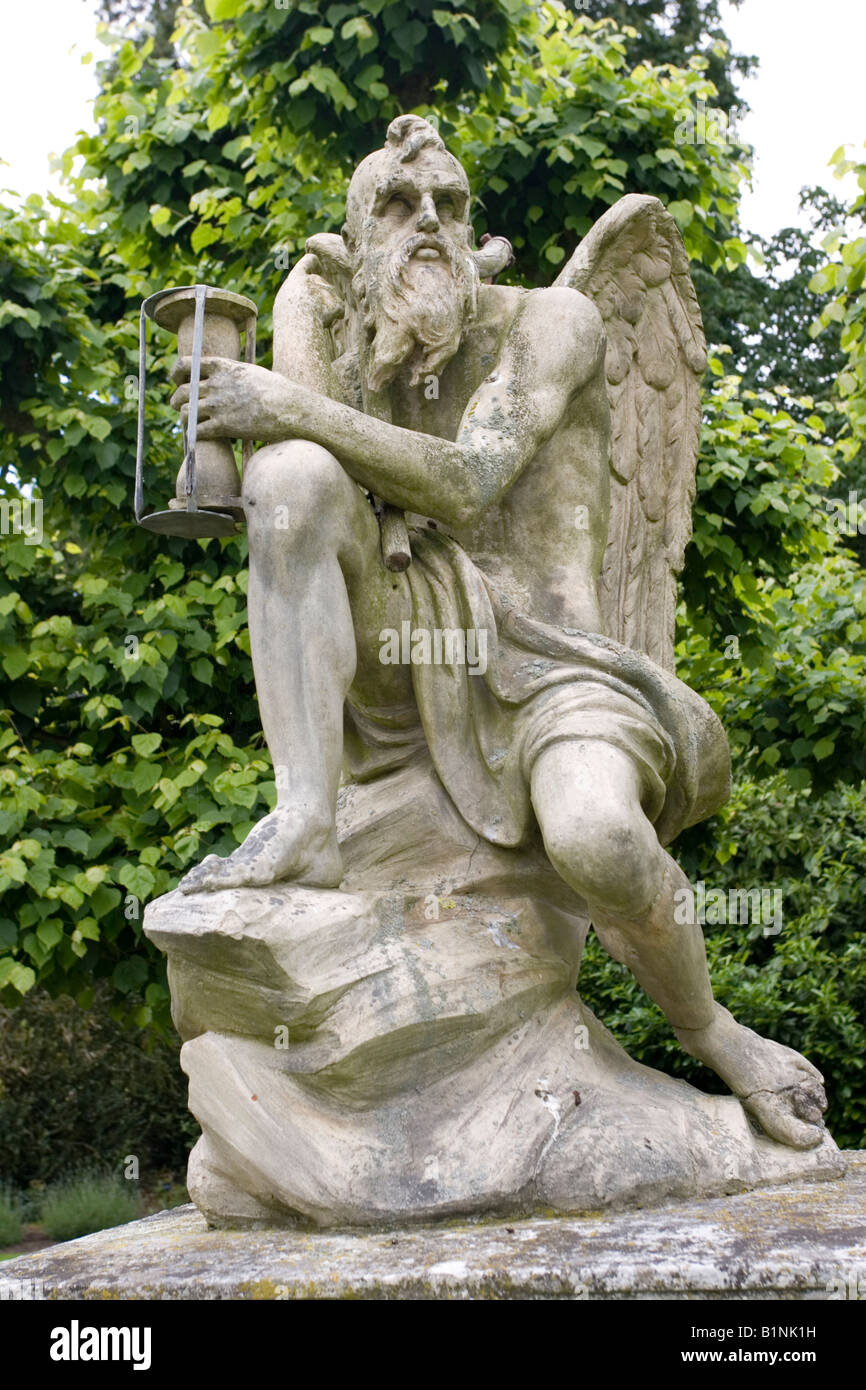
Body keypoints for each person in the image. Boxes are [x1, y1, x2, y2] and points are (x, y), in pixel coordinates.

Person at [169, 115, 826, 1150]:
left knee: (601, 840)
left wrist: (285, 402)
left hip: (554, 665)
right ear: (355, 238)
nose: (426, 221)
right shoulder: (324, 312)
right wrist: (287, 378)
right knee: (286, 478)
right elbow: (287, 486)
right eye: (395, 204)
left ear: (477, 233)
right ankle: (304, 818)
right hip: (407, 651)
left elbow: (468, 481)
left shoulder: (552, 322)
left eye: (449, 205)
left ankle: (712, 1030)